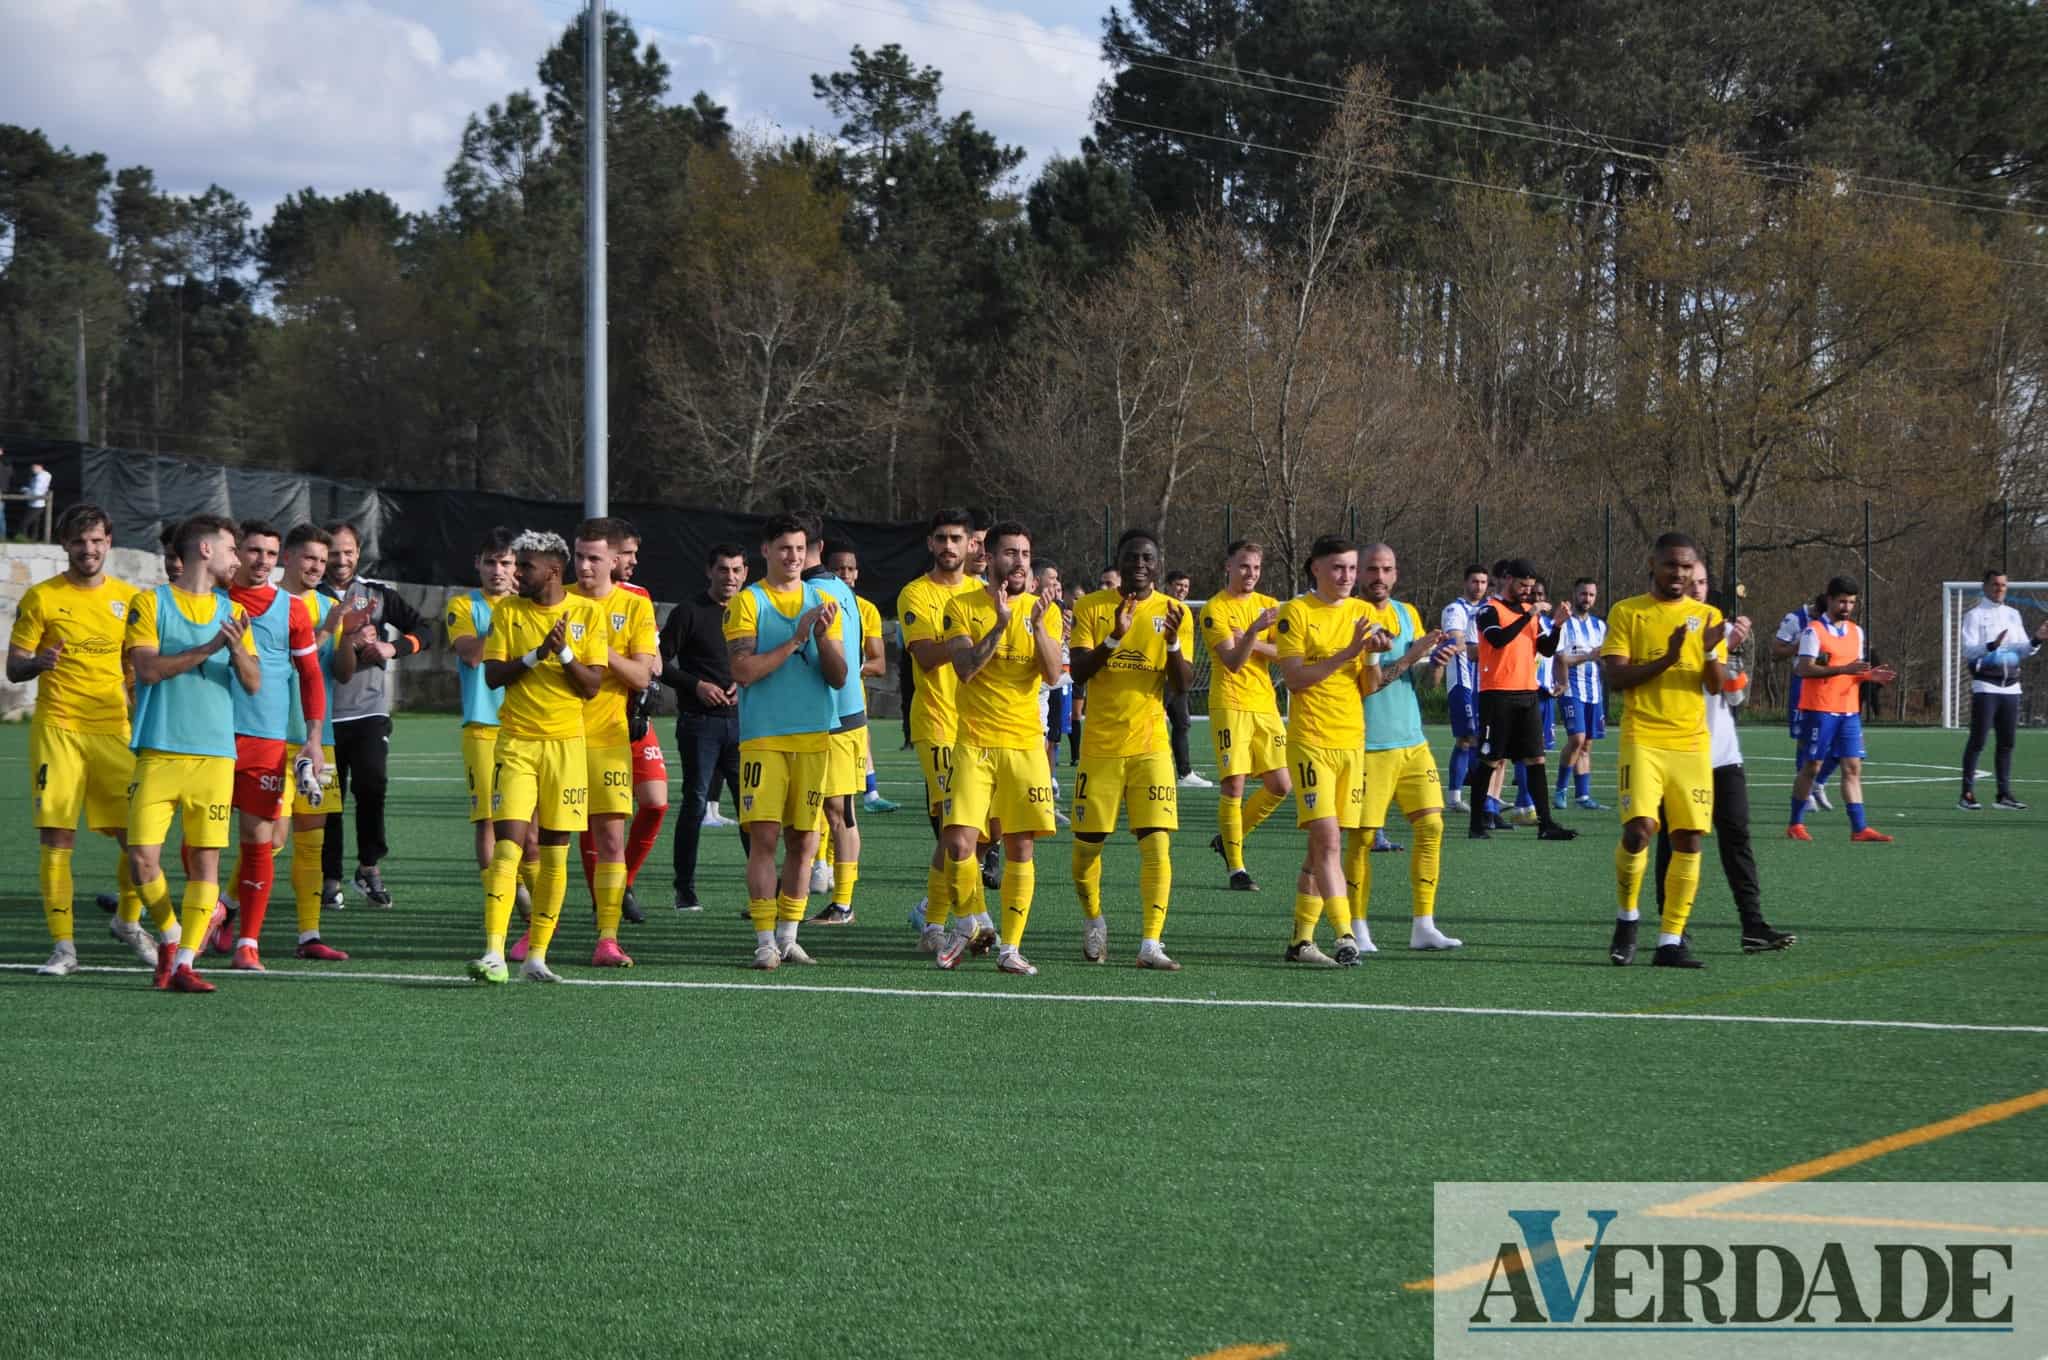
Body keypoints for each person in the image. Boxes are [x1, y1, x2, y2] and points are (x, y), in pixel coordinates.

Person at [8, 504, 165, 974]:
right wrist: (39, 662)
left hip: (114, 730)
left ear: (109, 542)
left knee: (137, 838)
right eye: (79, 542)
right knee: (57, 838)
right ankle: (63, 946)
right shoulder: (41, 598)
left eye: (96, 540)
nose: (88, 549)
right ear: (65, 546)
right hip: (58, 728)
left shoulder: (131, 600)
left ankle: (127, 920)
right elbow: (14, 666)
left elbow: (134, 673)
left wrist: (146, 726)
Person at [124, 515, 263, 992]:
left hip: (214, 756)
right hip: (160, 751)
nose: (238, 559)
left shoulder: (233, 611)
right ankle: (170, 933)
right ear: (206, 550)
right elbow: (147, 670)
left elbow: (252, 681)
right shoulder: (151, 603)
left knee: (206, 863)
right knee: (142, 859)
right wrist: (208, 647)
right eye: (232, 548)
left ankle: (184, 963)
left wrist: (238, 649)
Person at [466, 531, 607, 984]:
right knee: (507, 846)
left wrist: (563, 652)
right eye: (515, 564)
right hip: (517, 743)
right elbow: (492, 677)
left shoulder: (587, 613)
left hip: (567, 747)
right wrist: (536, 654)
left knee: (555, 854)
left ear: (553, 570)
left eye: (525, 566)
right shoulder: (507, 612)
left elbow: (590, 686)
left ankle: (537, 956)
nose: (516, 573)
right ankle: (493, 951)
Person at [934, 521, 1063, 973]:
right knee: (958, 842)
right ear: (988, 558)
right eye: (1010, 553)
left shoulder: (1044, 609)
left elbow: (1051, 675)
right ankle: (972, 920)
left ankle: (1010, 948)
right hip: (974, 742)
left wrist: (1038, 626)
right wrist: (1001, 626)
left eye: (1026, 554)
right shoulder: (961, 605)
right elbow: (966, 668)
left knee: (1021, 846)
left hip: (1025, 745)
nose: (1020, 562)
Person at [1599, 532, 1728, 970]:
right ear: (1652, 565)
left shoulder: (1708, 616)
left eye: (1687, 566)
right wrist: (1667, 659)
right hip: (1643, 738)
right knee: (1639, 830)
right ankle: (1627, 918)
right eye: (1671, 565)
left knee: (1689, 839)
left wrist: (1710, 651)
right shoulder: (1627, 612)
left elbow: (1715, 686)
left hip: (1690, 744)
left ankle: (1671, 940)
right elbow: (1615, 680)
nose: (1679, 573)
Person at [537, 518, 660, 968]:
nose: (584, 565)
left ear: (614, 560)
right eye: (579, 556)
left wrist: (598, 647)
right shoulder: (556, 600)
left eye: (594, 557)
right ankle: (536, 934)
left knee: (611, 840)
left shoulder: (636, 606)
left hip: (607, 739)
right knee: (544, 841)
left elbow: (642, 675)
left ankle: (607, 938)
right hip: (554, 738)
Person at [725, 513, 846, 969]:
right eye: (784, 549)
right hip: (765, 739)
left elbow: (837, 677)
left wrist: (823, 640)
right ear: (766, 551)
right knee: (765, 839)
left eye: (799, 548)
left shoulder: (821, 599)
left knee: (805, 841)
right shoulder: (748, 602)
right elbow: (743, 672)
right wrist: (797, 639)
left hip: (814, 738)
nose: (793, 557)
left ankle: (788, 935)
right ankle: (762, 939)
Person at [1654, 561, 1795, 952]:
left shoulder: (1718, 626)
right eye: (1689, 580)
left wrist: (1737, 651)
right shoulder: (1665, 622)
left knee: (1737, 838)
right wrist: (1720, 647)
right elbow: (1675, 678)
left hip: (1722, 754)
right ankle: (1673, 927)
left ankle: (1753, 924)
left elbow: (1734, 696)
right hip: (1679, 753)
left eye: (1701, 581)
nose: (1696, 587)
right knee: (1675, 840)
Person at [1068, 528, 1191, 971]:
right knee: (1086, 851)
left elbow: (1181, 686)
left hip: (1150, 747)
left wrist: (1173, 643)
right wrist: (1114, 639)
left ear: (1158, 564)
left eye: (1148, 558)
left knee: (1157, 846)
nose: (1139, 564)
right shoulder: (1090, 607)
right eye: (1131, 557)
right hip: (1100, 749)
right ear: (1118, 562)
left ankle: (1150, 944)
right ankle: (1093, 919)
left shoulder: (1175, 612)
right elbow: (1078, 671)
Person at [211, 520, 332, 970]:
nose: (261, 561)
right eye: (253, 551)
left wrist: (314, 739)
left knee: (261, 841)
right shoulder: (212, 601)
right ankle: (201, 918)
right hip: (209, 735)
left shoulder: (293, 610)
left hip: (265, 739)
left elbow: (311, 676)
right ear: (236, 552)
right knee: (200, 841)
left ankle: (248, 943)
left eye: (269, 553)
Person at [1274, 535, 1389, 966]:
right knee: (1328, 842)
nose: (1347, 577)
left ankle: (1300, 942)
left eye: (1352, 569)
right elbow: (1296, 679)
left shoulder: (1363, 612)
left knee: (1322, 850)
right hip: (1312, 743)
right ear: (1315, 569)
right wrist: (1350, 650)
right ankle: (1345, 935)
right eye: (1338, 568)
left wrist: (1372, 658)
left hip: (1351, 743)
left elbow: (1369, 687)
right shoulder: (1296, 613)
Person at [1353, 544, 1461, 952]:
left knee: (1432, 826)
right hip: (1370, 745)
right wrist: (1414, 653)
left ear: (1396, 574)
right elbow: (1370, 684)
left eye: (1387, 569)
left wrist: (1436, 664)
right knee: (1362, 838)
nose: (1379, 577)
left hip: (1413, 742)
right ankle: (1358, 928)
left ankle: (1423, 925)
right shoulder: (1352, 617)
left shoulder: (1407, 613)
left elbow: (1424, 683)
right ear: (1360, 573)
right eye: (1372, 569)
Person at [318, 522, 429, 910]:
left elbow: (424, 629)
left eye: (348, 551)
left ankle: (367, 868)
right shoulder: (305, 597)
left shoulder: (378, 594)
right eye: (333, 552)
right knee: (327, 802)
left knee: (371, 786)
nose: (341, 559)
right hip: (320, 716)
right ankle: (329, 879)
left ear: (359, 551)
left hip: (368, 713)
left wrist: (392, 648)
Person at [897, 509, 978, 951]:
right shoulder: (916, 594)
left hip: (982, 726)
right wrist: (976, 636)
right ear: (930, 543)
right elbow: (927, 656)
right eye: (941, 538)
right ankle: (949, 923)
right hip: (938, 724)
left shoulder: (983, 593)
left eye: (957, 539)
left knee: (988, 832)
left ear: (971, 546)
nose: (949, 546)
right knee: (955, 827)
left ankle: (932, 909)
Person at [274, 523, 356, 961]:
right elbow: (285, 662)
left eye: (322, 561)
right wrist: (325, 630)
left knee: (312, 841)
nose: (316, 567)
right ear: (286, 557)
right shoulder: (268, 604)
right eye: (308, 558)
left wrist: (352, 638)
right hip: (272, 738)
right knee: (270, 840)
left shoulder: (329, 604)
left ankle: (309, 935)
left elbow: (340, 673)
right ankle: (225, 913)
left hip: (317, 743)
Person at [659, 543, 748, 912]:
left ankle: (763, 894)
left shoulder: (755, 609)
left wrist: (744, 684)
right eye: (724, 570)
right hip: (700, 725)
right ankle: (685, 890)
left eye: (737, 570)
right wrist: (696, 685)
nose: (730, 577)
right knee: (695, 804)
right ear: (709, 572)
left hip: (745, 726)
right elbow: (658, 664)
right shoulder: (688, 612)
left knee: (752, 809)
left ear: (746, 573)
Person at [444, 528, 529, 909]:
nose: (499, 570)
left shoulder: (530, 606)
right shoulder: (463, 607)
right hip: (482, 728)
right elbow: (472, 655)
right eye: (491, 562)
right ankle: (501, 897)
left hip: (526, 725)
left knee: (530, 822)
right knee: (489, 819)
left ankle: (530, 894)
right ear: (477, 564)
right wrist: (504, 615)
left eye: (506, 562)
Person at [1199, 539, 1290, 891]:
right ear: (1228, 567)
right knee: (1234, 784)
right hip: (1230, 704)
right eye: (1243, 566)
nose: (1250, 573)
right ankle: (1236, 868)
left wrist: (1251, 639)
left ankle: (1227, 837)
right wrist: (1252, 633)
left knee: (1280, 785)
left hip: (1265, 705)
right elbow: (1233, 662)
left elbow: (1285, 653)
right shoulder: (1213, 609)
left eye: (1255, 567)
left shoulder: (1269, 606)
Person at [795, 514, 868, 928]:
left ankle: (842, 903)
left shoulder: (816, 591)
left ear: (816, 548)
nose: (793, 557)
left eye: (800, 548)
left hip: (835, 714)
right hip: (840, 710)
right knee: (826, 810)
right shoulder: (841, 588)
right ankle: (799, 895)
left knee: (838, 811)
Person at [1468, 560, 1575, 841]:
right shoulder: (1489, 610)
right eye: (1522, 585)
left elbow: (1547, 649)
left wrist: (1558, 626)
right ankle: (1476, 823)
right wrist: (1530, 617)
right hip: (1497, 694)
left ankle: (1546, 824)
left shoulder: (1530, 613)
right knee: (1491, 758)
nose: (1527, 591)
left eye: (1530, 587)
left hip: (1527, 694)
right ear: (1507, 580)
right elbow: (1499, 640)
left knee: (1536, 758)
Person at [1787, 577, 1896, 843]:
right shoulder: (1814, 631)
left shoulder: (1856, 632)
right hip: (1819, 709)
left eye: (1851, 602)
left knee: (1853, 767)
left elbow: (1855, 671)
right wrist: (1842, 670)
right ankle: (1795, 824)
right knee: (1812, 767)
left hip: (1848, 710)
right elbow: (1803, 669)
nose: (1847, 607)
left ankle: (1859, 828)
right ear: (1829, 599)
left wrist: (1870, 676)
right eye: (1842, 601)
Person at [602, 524, 670, 923]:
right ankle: (604, 898)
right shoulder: (577, 598)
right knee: (600, 818)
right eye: (627, 553)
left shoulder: (639, 596)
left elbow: (654, 662)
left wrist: (646, 666)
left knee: (656, 802)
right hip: (593, 721)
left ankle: (624, 880)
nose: (633, 561)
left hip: (633, 717)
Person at [1958, 569, 2047, 810]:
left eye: (2004, 585)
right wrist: (1991, 645)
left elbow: (2023, 649)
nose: (2000, 589)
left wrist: (2037, 640)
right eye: (1995, 585)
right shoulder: (1974, 615)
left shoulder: (2013, 614)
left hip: (2011, 688)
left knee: (2007, 743)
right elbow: (1968, 650)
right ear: (1985, 586)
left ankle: (2004, 795)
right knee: (1978, 741)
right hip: (1986, 685)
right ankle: (1966, 795)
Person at [826, 541, 900, 815]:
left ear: (857, 573)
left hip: (850, 702)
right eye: (838, 568)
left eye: (850, 568)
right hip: (815, 702)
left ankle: (870, 792)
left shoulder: (866, 609)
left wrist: (847, 668)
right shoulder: (813, 599)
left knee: (841, 802)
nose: (845, 573)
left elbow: (879, 663)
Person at [1772, 592, 1838, 812]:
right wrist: (1799, 646)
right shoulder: (1795, 619)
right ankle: (1807, 790)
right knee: (1804, 739)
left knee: (1839, 742)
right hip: (1803, 685)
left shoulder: (1837, 623)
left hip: (1832, 686)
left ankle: (1819, 782)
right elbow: (1776, 650)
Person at [1553, 577, 1608, 812]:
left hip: (1594, 692)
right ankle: (1560, 790)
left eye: (1591, 595)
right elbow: (1561, 657)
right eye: (1583, 594)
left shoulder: (1599, 626)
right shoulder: (1566, 624)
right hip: (1571, 690)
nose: (1587, 599)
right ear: (1575, 594)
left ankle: (1583, 796)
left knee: (1586, 744)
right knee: (1576, 739)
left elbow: (1602, 657)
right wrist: (1589, 656)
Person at [1440, 565, 1489, 811]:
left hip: (1487, 683)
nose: (1478, 586)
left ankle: (1483, 794)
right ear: (1465, 583)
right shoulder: (1454, 609)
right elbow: (1457, 641)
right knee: (1467, 737)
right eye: (1474, 581)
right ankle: (1455, 797)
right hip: (1463, 682)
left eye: (1482, 582)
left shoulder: (1490, 609)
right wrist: (1492, 652)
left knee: (1482, 738)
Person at [1161, 570, 1210, 789]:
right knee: (1156, 724)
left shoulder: (1186, 612)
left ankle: (1184, 772)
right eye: (1179, 585)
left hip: (1176, 676)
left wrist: (1185, 671)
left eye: (1186, 586)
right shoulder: (1158, 606)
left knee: (1182, 722)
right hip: (1158, 676)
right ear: (1168, 586)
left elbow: (1186, 650)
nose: (1182, 589)